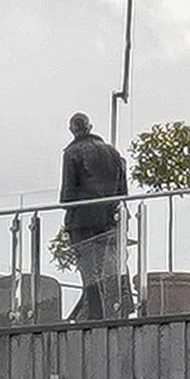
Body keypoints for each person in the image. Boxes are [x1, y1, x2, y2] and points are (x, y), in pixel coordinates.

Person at [61, 114, 129, 320]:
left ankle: (95, 312)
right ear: (90, 127)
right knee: (111, 266)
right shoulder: (113, 152)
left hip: (82, 221)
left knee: (89, 271)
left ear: (72, 130)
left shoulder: (72, 153)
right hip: (110, 220)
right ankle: (120, 307)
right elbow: (123, 193)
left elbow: (67, 196)